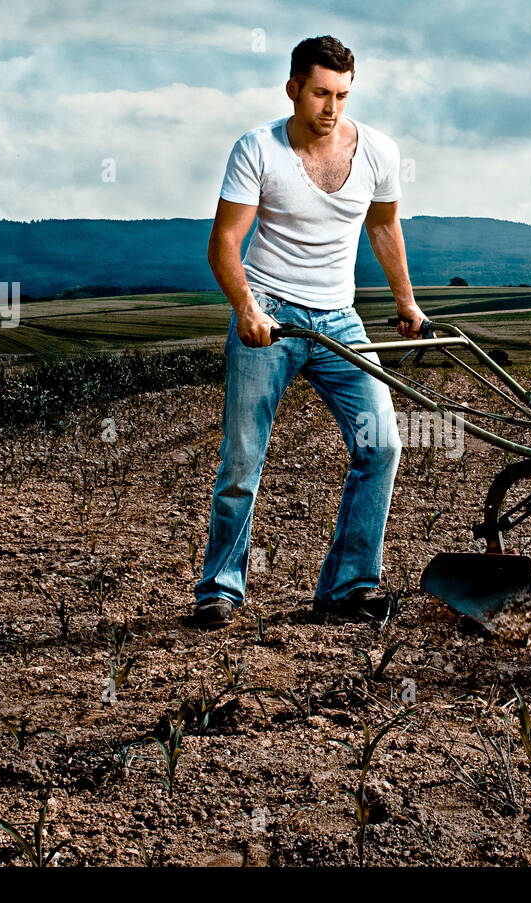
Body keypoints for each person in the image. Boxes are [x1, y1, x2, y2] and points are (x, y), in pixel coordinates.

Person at [192, 35, 429, 630]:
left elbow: (383, 226)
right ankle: (220, 589)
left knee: (382, 445)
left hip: (339, 318)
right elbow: (225, 242)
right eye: (321, 93)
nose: (331, 108)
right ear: (294, 87)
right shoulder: (258, 149)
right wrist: (247, 309)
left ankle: (347, 589)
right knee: (243, 460)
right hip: (270, 313)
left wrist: (407, 301)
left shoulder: (378, 150)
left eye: (343, 95)